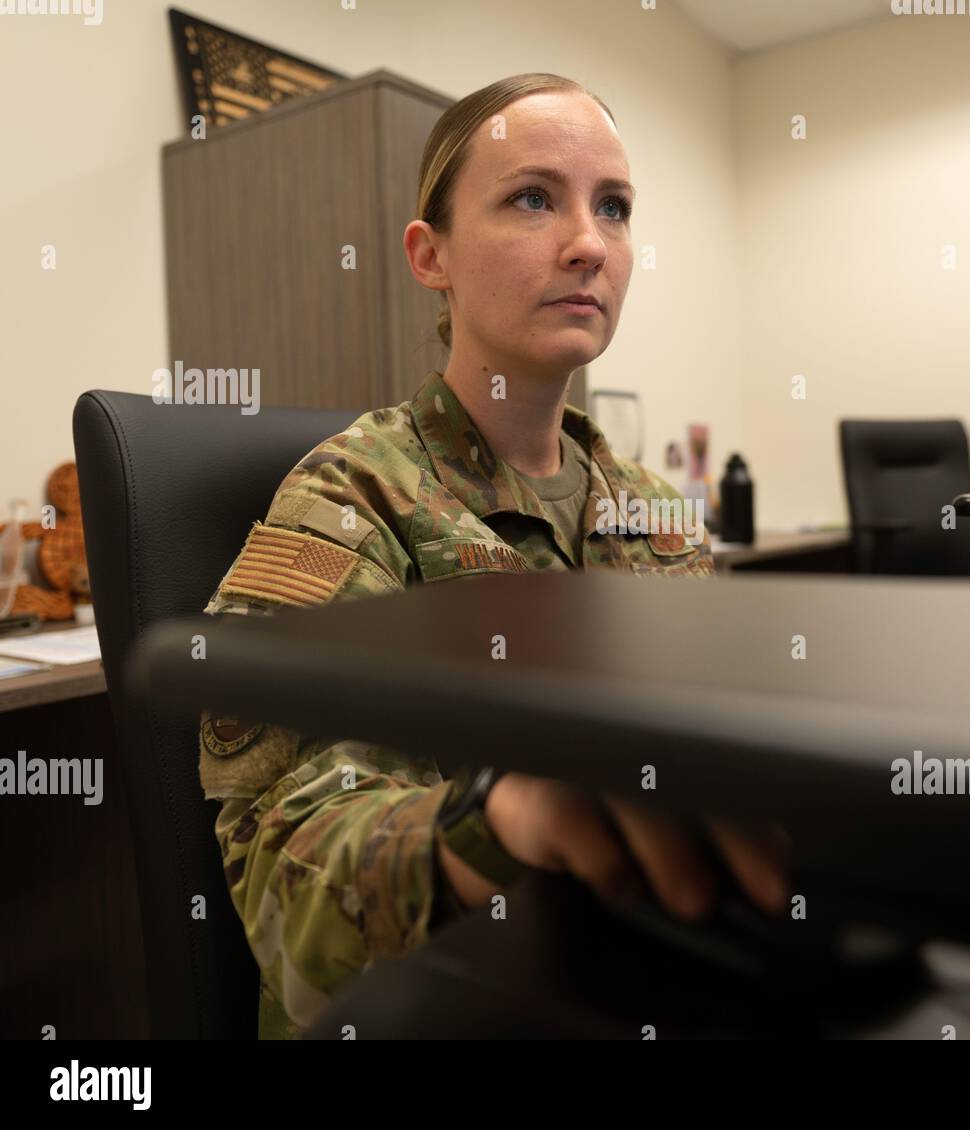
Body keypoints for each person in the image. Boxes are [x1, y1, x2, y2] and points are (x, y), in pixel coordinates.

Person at [198, 73, 790, 1039]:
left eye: (614, 208)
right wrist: (504, 820)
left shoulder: (656, 514)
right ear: (430, 256)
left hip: (647, 967)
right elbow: (282, 877)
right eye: (531, 198)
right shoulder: (350, 499)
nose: (588, 243)